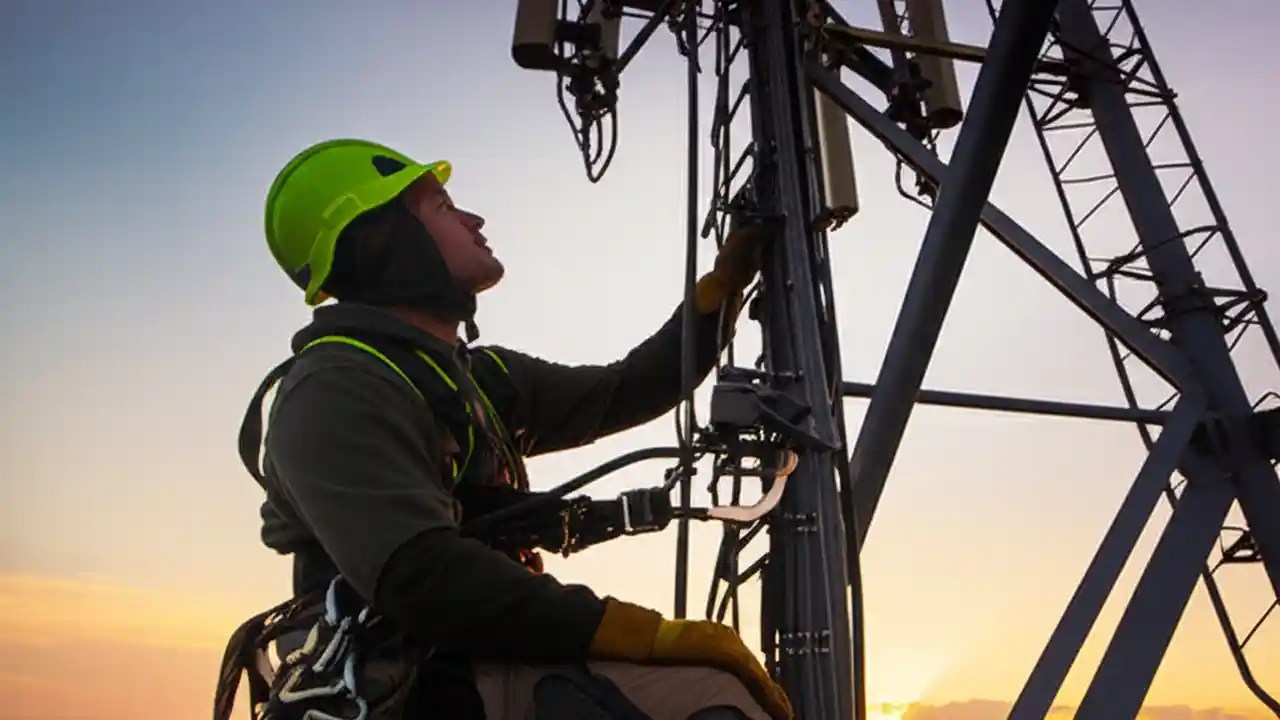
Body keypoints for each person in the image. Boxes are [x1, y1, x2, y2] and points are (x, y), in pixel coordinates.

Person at [219, 138, 793, 720]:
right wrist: (642, 632)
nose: (474, 218)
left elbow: (627, 388)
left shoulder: (480, 379)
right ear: (384, 239)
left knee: (718, 695)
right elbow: (423, 577)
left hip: (483, 660)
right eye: (442, 206)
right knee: (715, 705)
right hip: (416, 682)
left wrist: (723, 285)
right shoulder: (333, 387)